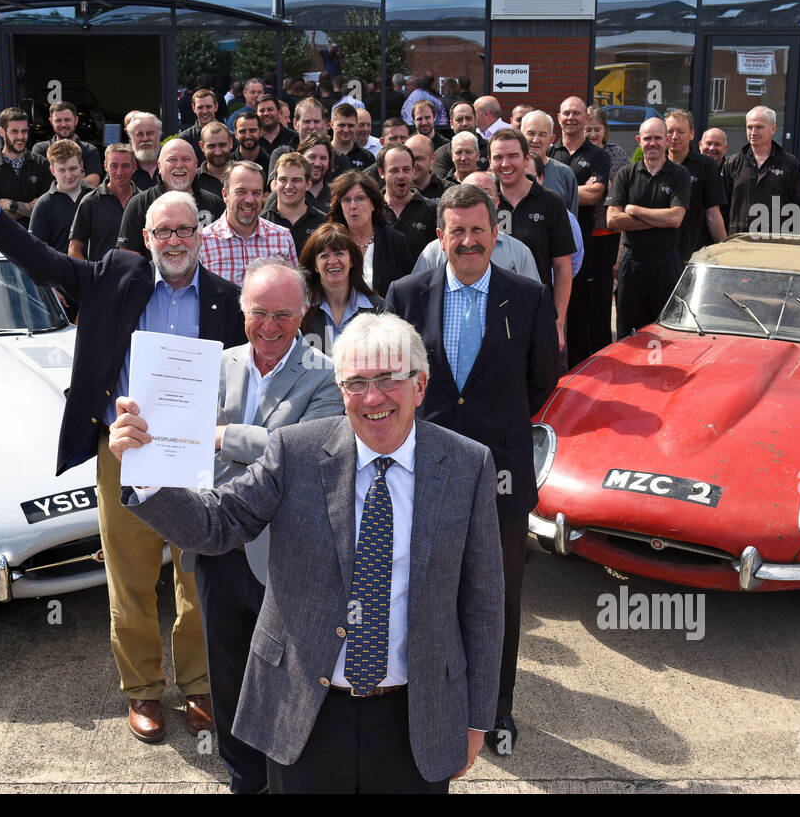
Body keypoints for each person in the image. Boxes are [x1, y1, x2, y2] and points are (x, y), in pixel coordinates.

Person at [112, 311, 505, 792]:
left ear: (420, 386)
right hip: (304, 712)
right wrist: (148, 476)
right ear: (340, 391)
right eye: (356, 382)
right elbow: (217, 524)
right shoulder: (295, 452)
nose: (372, 397)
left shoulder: (468, 465)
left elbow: (484, 602)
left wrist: (477, 718)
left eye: (388, 379)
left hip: (416, 717)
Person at [0, 161, 246, 745]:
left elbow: (243, 378)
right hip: (126, 451)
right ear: (146, 238)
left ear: (201, 232)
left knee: (196, 577)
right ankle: (142, 691)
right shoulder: (116, 274)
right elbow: (43, 261)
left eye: (185, 230)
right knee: (132, 576)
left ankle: (198, 685)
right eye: (163, 232)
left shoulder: (226, 300)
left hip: (196, 459)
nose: (174, 241)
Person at [384, 183, 558, 756]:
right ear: (440, 236)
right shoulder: (406, 294)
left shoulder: (528, 296)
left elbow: (542, 380)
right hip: (421, 470)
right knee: (419, 590)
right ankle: (421, 697)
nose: (466, 241)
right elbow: (392, 376)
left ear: (495, 234)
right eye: (455, 231)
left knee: (496, 602)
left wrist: (499, 428)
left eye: (477, 230)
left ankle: (494, 709)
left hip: (500, 478)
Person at [165, 258, 343, 793]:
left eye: (282, 315)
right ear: (242, 311)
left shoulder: (326, 375)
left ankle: (285, 771)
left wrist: (221, 437)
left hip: (284, 550)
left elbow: (303, 453)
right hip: (219, 544)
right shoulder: (212, 366)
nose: (269, 326)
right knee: (226, 667)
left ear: (304, 313)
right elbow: (182, 444)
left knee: (284, 671)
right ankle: (243, 774)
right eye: (258, 313)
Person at [489, 129, 574, 356]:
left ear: (527, 159)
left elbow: (563, 267)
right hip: (489, 316)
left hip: (536, 314)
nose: (505, 163)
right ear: (489, 161)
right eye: (498, 157)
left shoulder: (550, 202)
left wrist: (558, 323)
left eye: (513, 156)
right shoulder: (483, 203)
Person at [606, 116, 692, 340]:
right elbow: (613, 220)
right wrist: (657, 220)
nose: (652, 143)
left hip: (667, 263)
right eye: (647, 138)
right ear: (638, 140)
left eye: (657, 138)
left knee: (666, 330)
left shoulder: (679, 175)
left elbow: (675, 219)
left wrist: (634, 210)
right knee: (628, 331)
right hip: (632, 264)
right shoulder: (626, 174)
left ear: (666, 140)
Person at [552, 96, 613, 368]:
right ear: (558, 117)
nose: (571, 118)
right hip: (552, 244)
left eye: (577, 113)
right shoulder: (551, 154)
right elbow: (584, 193)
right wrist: (579, 190)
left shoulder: (599, 155)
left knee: (584, 310)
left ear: (586, 119)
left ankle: (586, 367)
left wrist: (555, 193)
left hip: (585, 245)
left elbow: (596, 195)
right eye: (566, 113)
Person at [413, 172, 541, 283]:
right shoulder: (433, 252)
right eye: (469, 193)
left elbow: (531, 299)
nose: (476, 200)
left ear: (496, 203)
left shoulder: (519, 252)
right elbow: (418, 292)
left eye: (485, 193)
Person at [116, 139, 226, 252]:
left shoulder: (215, 204)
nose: (179, 165)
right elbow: (128, 259)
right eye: (172, 160)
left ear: (196, 165)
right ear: (159, 166)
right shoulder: (138, 204)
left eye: (186, 159)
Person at [200, 161, 299, 285]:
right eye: (241, 191)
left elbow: (295, 292)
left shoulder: (282, 238)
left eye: (256, 193)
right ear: (225, 195)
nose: (249, 199)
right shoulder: (202, 242)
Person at [299, 223, 384, 355]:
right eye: (324, 256)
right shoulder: (302, 311)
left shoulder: (378, 307)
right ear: (315, 265)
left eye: (339, 253)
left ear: (351, 261)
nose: (332, 261)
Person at [722, 106, 800, 235]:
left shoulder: (790, 164)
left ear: (773, 129)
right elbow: (722, 206)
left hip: (775, 241)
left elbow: (798, 208)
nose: (753, 132)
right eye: (749, 127)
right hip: (739, 241)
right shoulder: (732, 163)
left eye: (759, 127)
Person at [327, 170, 414, 297]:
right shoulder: (329, 241)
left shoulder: (395, 241)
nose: (353, 206)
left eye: (360, 198)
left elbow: (407, 291)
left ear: (373, 204)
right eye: (346, 200)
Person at [664, 109, 727, 259]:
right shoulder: (653, 164)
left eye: (681, 131)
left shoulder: (706, 166)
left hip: (694, 252)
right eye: (670, 131)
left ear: (692, 134)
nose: (674, 137)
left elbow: (713, 215)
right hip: (657, 252)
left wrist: (725, 252)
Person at [0, 107, 50, 225]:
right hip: (2, 239)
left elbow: (47, 209)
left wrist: (10, 205)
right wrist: (30, 207)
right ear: (1, 132)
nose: (20, 137)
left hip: (36, 238)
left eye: (24, 131)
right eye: (14, 131)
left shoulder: (42, 164)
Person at [29, 139, 92, 254]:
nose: (68, 175)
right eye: (62, 170)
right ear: (52, 171)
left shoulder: (96, 198)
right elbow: (37, 250)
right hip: (59, 271)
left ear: (81, 165)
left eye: (72, 168)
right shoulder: (44, 204)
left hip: (95, 270)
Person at [263, 151, 326, 255]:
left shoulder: (324, 223)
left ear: (308, 184)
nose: (288, 186)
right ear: (275, 182)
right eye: (283, 179)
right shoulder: (261, 223)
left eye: (296, 180)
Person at [381, 145, 437, 255]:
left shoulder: (431, 210)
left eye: (406, 170)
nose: (401, 175)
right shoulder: (371, 207)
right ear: (381, 172)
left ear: (413, 171)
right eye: (394, 170)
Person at [32, 102, 103, 187]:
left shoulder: (89, 150)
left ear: (76, 120)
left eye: (67, 120)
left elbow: (93, 182)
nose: (63, 125)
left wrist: (55, 183)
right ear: (51, 121)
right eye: (58, 120)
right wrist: (79, 179)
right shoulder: (40, 150)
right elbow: (37, 183)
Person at [520, 110, 577, 212]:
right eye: (531, 133)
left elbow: (571, 222)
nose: (536, 140)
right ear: (520, 136)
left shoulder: (565, 174)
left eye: (542, 134)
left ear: (551, 139)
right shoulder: (510, 171)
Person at [431, 102, 486, 179]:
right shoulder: (441, 154)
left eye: (468, 118)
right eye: (459, 120)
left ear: (475, 120)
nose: (464, 123)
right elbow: (441, 185)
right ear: (451, 124)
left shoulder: (490, 147)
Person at [178, 87, 221, 163]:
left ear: (216, 107)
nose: (204, 111)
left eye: (208, 107)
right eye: (200, 107)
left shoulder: (229, 135)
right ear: (193, 108)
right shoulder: (185, 139)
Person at [330, 103, 375, 173]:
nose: (346, 130)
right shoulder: (323, 154)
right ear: (332, 124)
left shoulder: (367, 157)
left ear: (356, 126)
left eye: (350, 126)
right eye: (341, 125)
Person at [699, 127, 731, 226]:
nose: (712, 148)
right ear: (700, 145)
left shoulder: (732, 173)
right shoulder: (689, 171)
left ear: (725, 148)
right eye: (708, 143)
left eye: (717, 144)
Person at [125, 112, 162, 191]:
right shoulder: (122, 167)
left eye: (150, 133)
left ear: (159, 135)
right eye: (139, 134)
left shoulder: (172, 162)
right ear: (131, 138)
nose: (145, 139)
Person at [298, 134, 335, 212]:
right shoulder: (290, 192)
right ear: (300, 158)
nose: (317, 164)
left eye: (323, 158)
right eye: (312, 157)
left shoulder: (336, 195)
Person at [405, 134, 447, 201]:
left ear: (432, 159)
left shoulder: (448, 190)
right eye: (410, 158)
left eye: (419, 158)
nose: (414, 164)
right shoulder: (394, 191)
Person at [197, 121, 234, 193]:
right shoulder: (193, 180)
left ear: (231, 143)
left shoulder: (244, 176)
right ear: (202, 146)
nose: (218, 152)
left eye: (222, 145)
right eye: (211, 146)